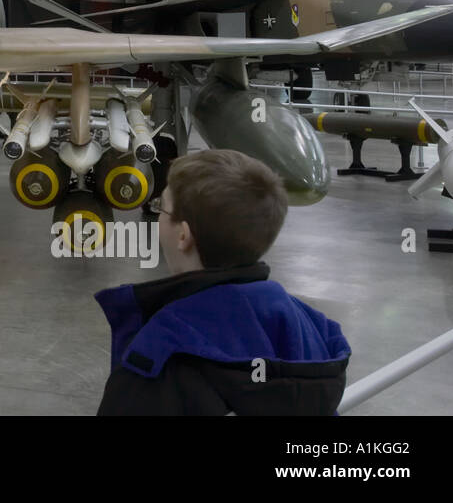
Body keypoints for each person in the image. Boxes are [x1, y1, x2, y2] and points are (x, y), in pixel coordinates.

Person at [94, 149, 350, 415]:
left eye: (161, 206)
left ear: (183, 235)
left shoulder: (159, 353)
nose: (158, 215)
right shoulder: (312, 327)